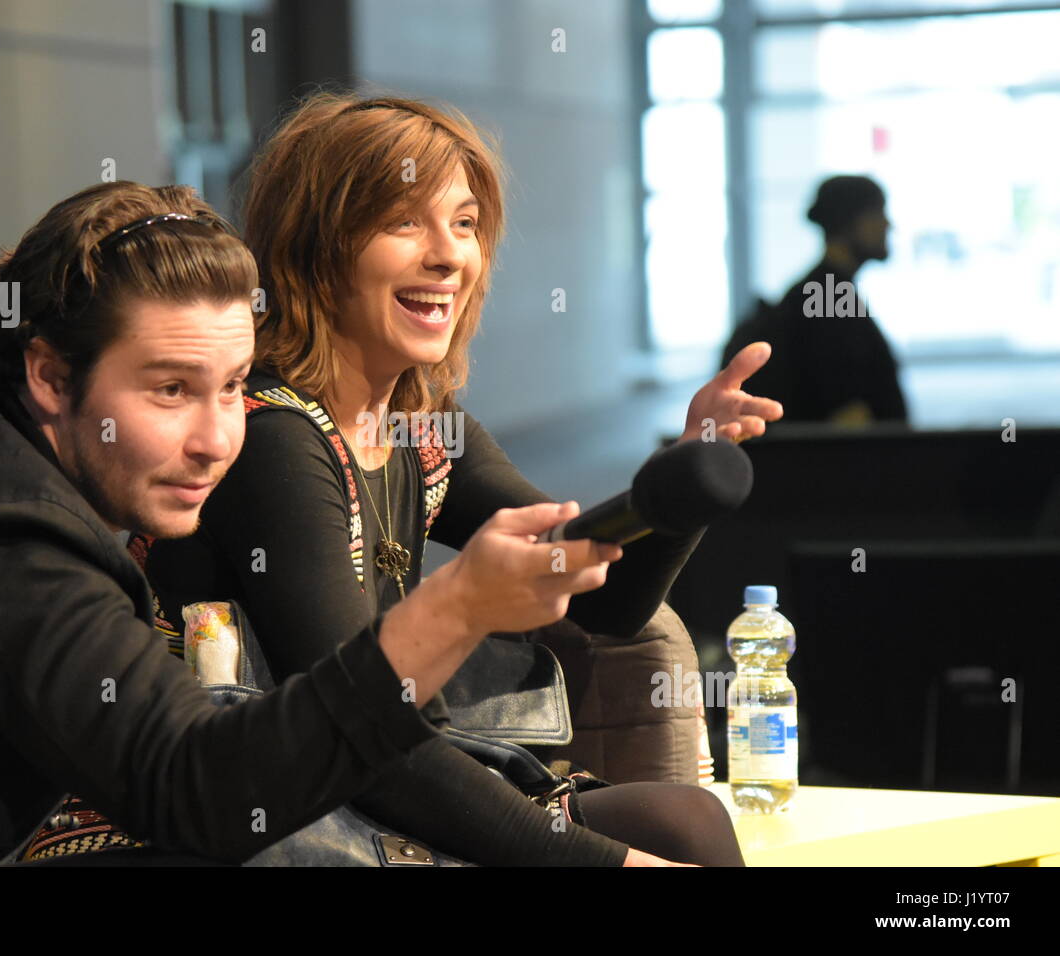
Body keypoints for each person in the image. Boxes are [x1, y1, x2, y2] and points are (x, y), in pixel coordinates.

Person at [0, 181, 626, 866]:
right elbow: (200, 792)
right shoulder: (15, 531)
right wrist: (457, 609)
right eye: (169, 390)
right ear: (52, 378)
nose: (216, 441)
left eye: (231, 387)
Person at [144, 94, 782, 866]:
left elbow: (607, 603)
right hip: (290, 806)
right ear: (316, 248)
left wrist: (679, 480)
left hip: (384, 779)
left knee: (685, 821)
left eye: (467, 223)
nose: (449, 255)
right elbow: (359, 737)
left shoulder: (425, 435)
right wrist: (607, 865)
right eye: (404, 221)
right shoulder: (274, 436)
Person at [722, 174, 908, 425]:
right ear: (848, 222)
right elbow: (846, 413)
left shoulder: (823, 292)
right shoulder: (827, 297)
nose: (888, 225)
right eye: (877, 213)